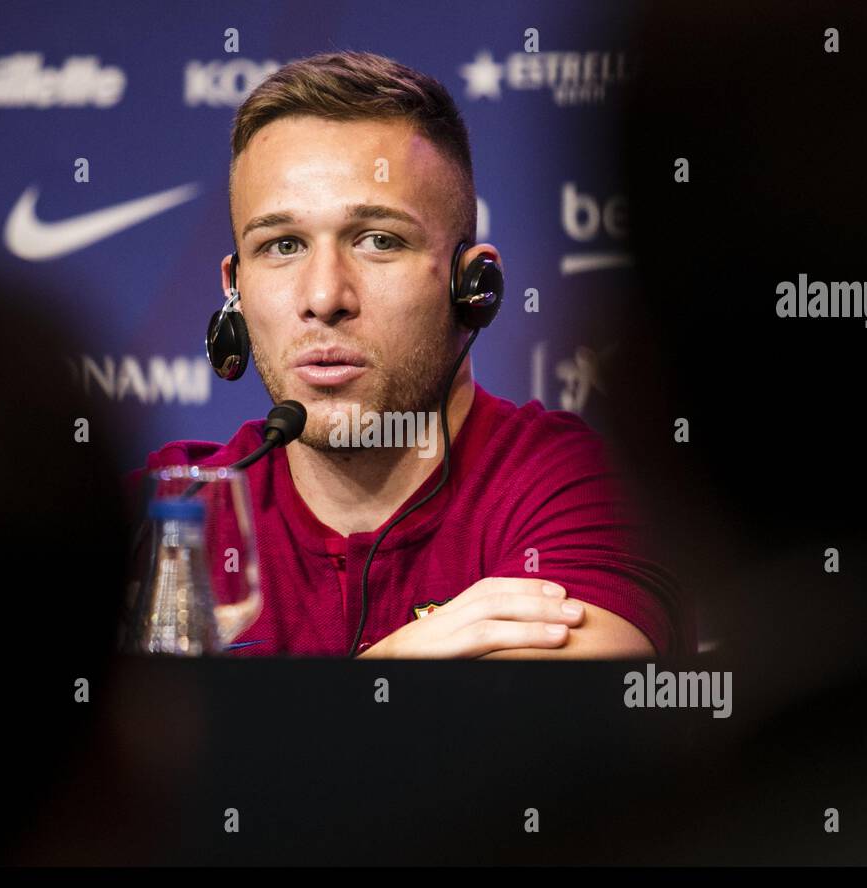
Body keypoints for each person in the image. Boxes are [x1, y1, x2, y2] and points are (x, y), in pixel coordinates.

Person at [133, 51, 693, 658]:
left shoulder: (574, 486)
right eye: (283, 245)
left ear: (473, 287)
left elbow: (551, 728)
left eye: (378, 240)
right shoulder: (171, 512)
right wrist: (400, 663)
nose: (324, 297)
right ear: (234, 289)